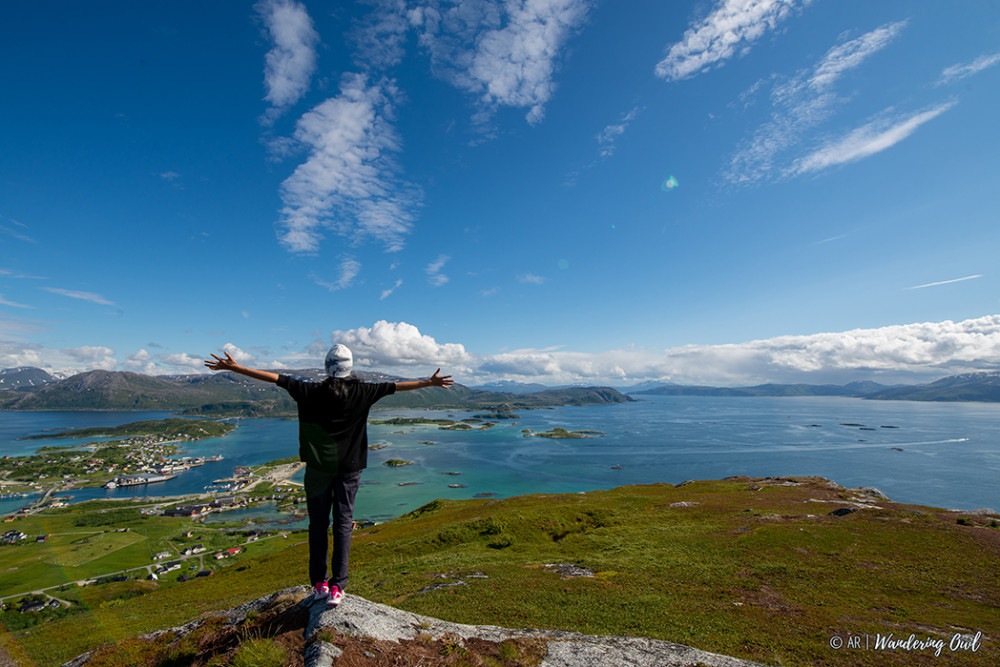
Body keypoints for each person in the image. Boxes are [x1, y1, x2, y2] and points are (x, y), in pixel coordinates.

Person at [204, 344, 453, 607]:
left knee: (318, 525)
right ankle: (338, 586)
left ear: (326, 366)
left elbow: (274, 378)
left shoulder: (309, 390)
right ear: (350, 366)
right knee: (343, 523)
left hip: (318, 469)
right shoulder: (364, 391)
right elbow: (398, 387)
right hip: (349, 468)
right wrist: (429, 382)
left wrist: (237, 368)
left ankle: (320, 584)